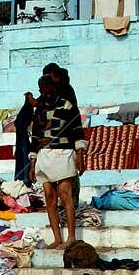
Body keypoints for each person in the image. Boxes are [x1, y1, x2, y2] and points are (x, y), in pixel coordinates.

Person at [30, 73, 86, 249]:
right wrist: (32, 163)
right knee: (50, 198)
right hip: (44, 155)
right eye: (42, 92)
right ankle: (57, 238)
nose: (45, 95)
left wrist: (80, 155)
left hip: (63, 154)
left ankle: (71, 237)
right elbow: (35, 137)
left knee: (66, 195)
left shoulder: (67, 106)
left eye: (48, 91)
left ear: (54, 89)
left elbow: (77, 131)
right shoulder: (39, 110)